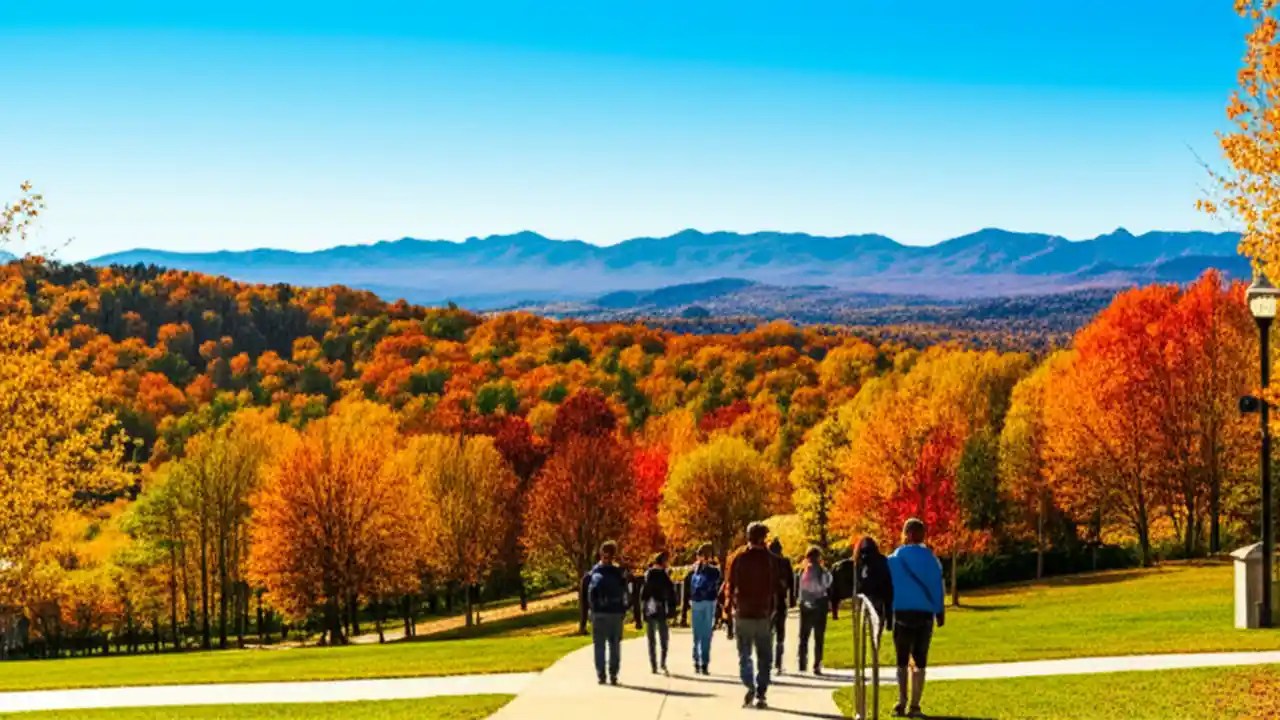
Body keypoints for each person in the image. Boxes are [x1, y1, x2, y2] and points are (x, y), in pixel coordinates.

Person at [887, 519, 945, 718]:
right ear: (922, 535)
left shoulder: (894, 559)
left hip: (901, 612)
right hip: (925, 613)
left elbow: (887, 586)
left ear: (906, 534)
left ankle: (901, 702)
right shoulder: (932, 559)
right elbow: (938, 586)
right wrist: (940, 610)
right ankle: (915, 705)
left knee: (902, 660)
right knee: (920, 660)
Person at [727, 521, 778, 709]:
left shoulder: (738, 559)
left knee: (745, 653)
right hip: (763, 612)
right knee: (764, 655)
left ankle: (749, 685)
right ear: (763, 538)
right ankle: (761, 692)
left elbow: (730, 586)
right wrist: (774, 609)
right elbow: (776, 588)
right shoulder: (771, 560)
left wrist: (729, 608)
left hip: (743, 612)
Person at [588, 540, 630, 686]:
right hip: (615, 613)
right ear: (614, 555)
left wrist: (590, 611)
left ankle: (601, 674)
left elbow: (589, 595)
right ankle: (613, 674)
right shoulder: (618, 573)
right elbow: (626, 593)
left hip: (599, 613)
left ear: (601, 554)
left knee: (599, 645)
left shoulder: (593, 573)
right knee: (614, 645)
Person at [796, 546, 833, 675]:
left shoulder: (802, 572)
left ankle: (802, 663)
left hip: (805, 604)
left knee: (804, 636)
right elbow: (828, 584)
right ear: (819, 557)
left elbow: (799, 589)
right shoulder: (823, 572)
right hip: (820, 604)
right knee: (819, 636)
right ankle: (817, 664)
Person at [687, 543, 722, 675]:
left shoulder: (695, 571)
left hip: (698, 602)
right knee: (704, 634)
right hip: (708, 602)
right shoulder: (714, 570)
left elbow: (689, 588)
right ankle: (703, 662)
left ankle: (699, 661)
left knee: (699, 634)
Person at [640, 551, 677, 674]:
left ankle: (653, 664)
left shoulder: (648, 575)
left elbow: (643, 594)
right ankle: (662, 662)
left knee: (651, 639)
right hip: (661, 607)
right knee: (663, 637)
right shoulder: (664, 576)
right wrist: (672, 610)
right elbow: (671, 593)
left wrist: (643, 610)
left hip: (650, 608)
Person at [853, 536, 895, 641]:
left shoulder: (858, 561)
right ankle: (876, 642)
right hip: (880, 595)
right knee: (878, 620)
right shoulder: (881, 560)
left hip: (865, 596)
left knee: (867, 622)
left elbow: (857, 582)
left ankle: (871, 642)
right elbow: (887, 582)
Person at [767, 537, 796, 674]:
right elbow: (791, 581)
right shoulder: (785, 562)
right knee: (780, 633)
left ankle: (768, 661)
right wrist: (792, 599)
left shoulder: (766, 563)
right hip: (780, 600)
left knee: (768, 632)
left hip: (767, 602)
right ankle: (778, 663)